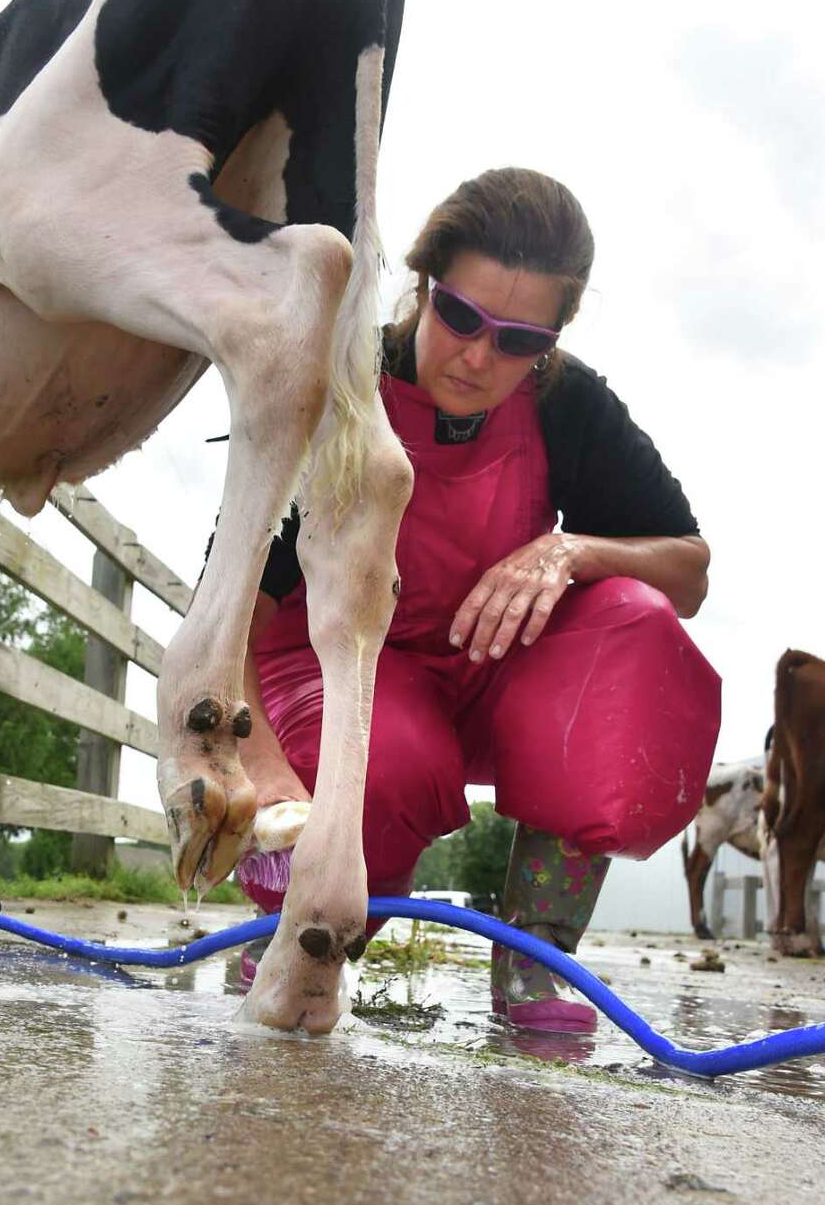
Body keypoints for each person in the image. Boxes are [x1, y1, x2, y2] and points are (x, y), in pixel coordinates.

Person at [232, 167, 720, 1032]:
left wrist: (573, 549)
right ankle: (302, 934)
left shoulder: (566, 405)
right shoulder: (336, 390)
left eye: (519, 340)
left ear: (553, 343)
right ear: (423, 286)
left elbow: (688, 570)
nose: (478, 357)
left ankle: (536, 959)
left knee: (637, 621)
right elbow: (232, 609)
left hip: (490, 670)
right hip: (340, 671)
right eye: (460, 318)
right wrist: (265, 774)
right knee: (385, 761)